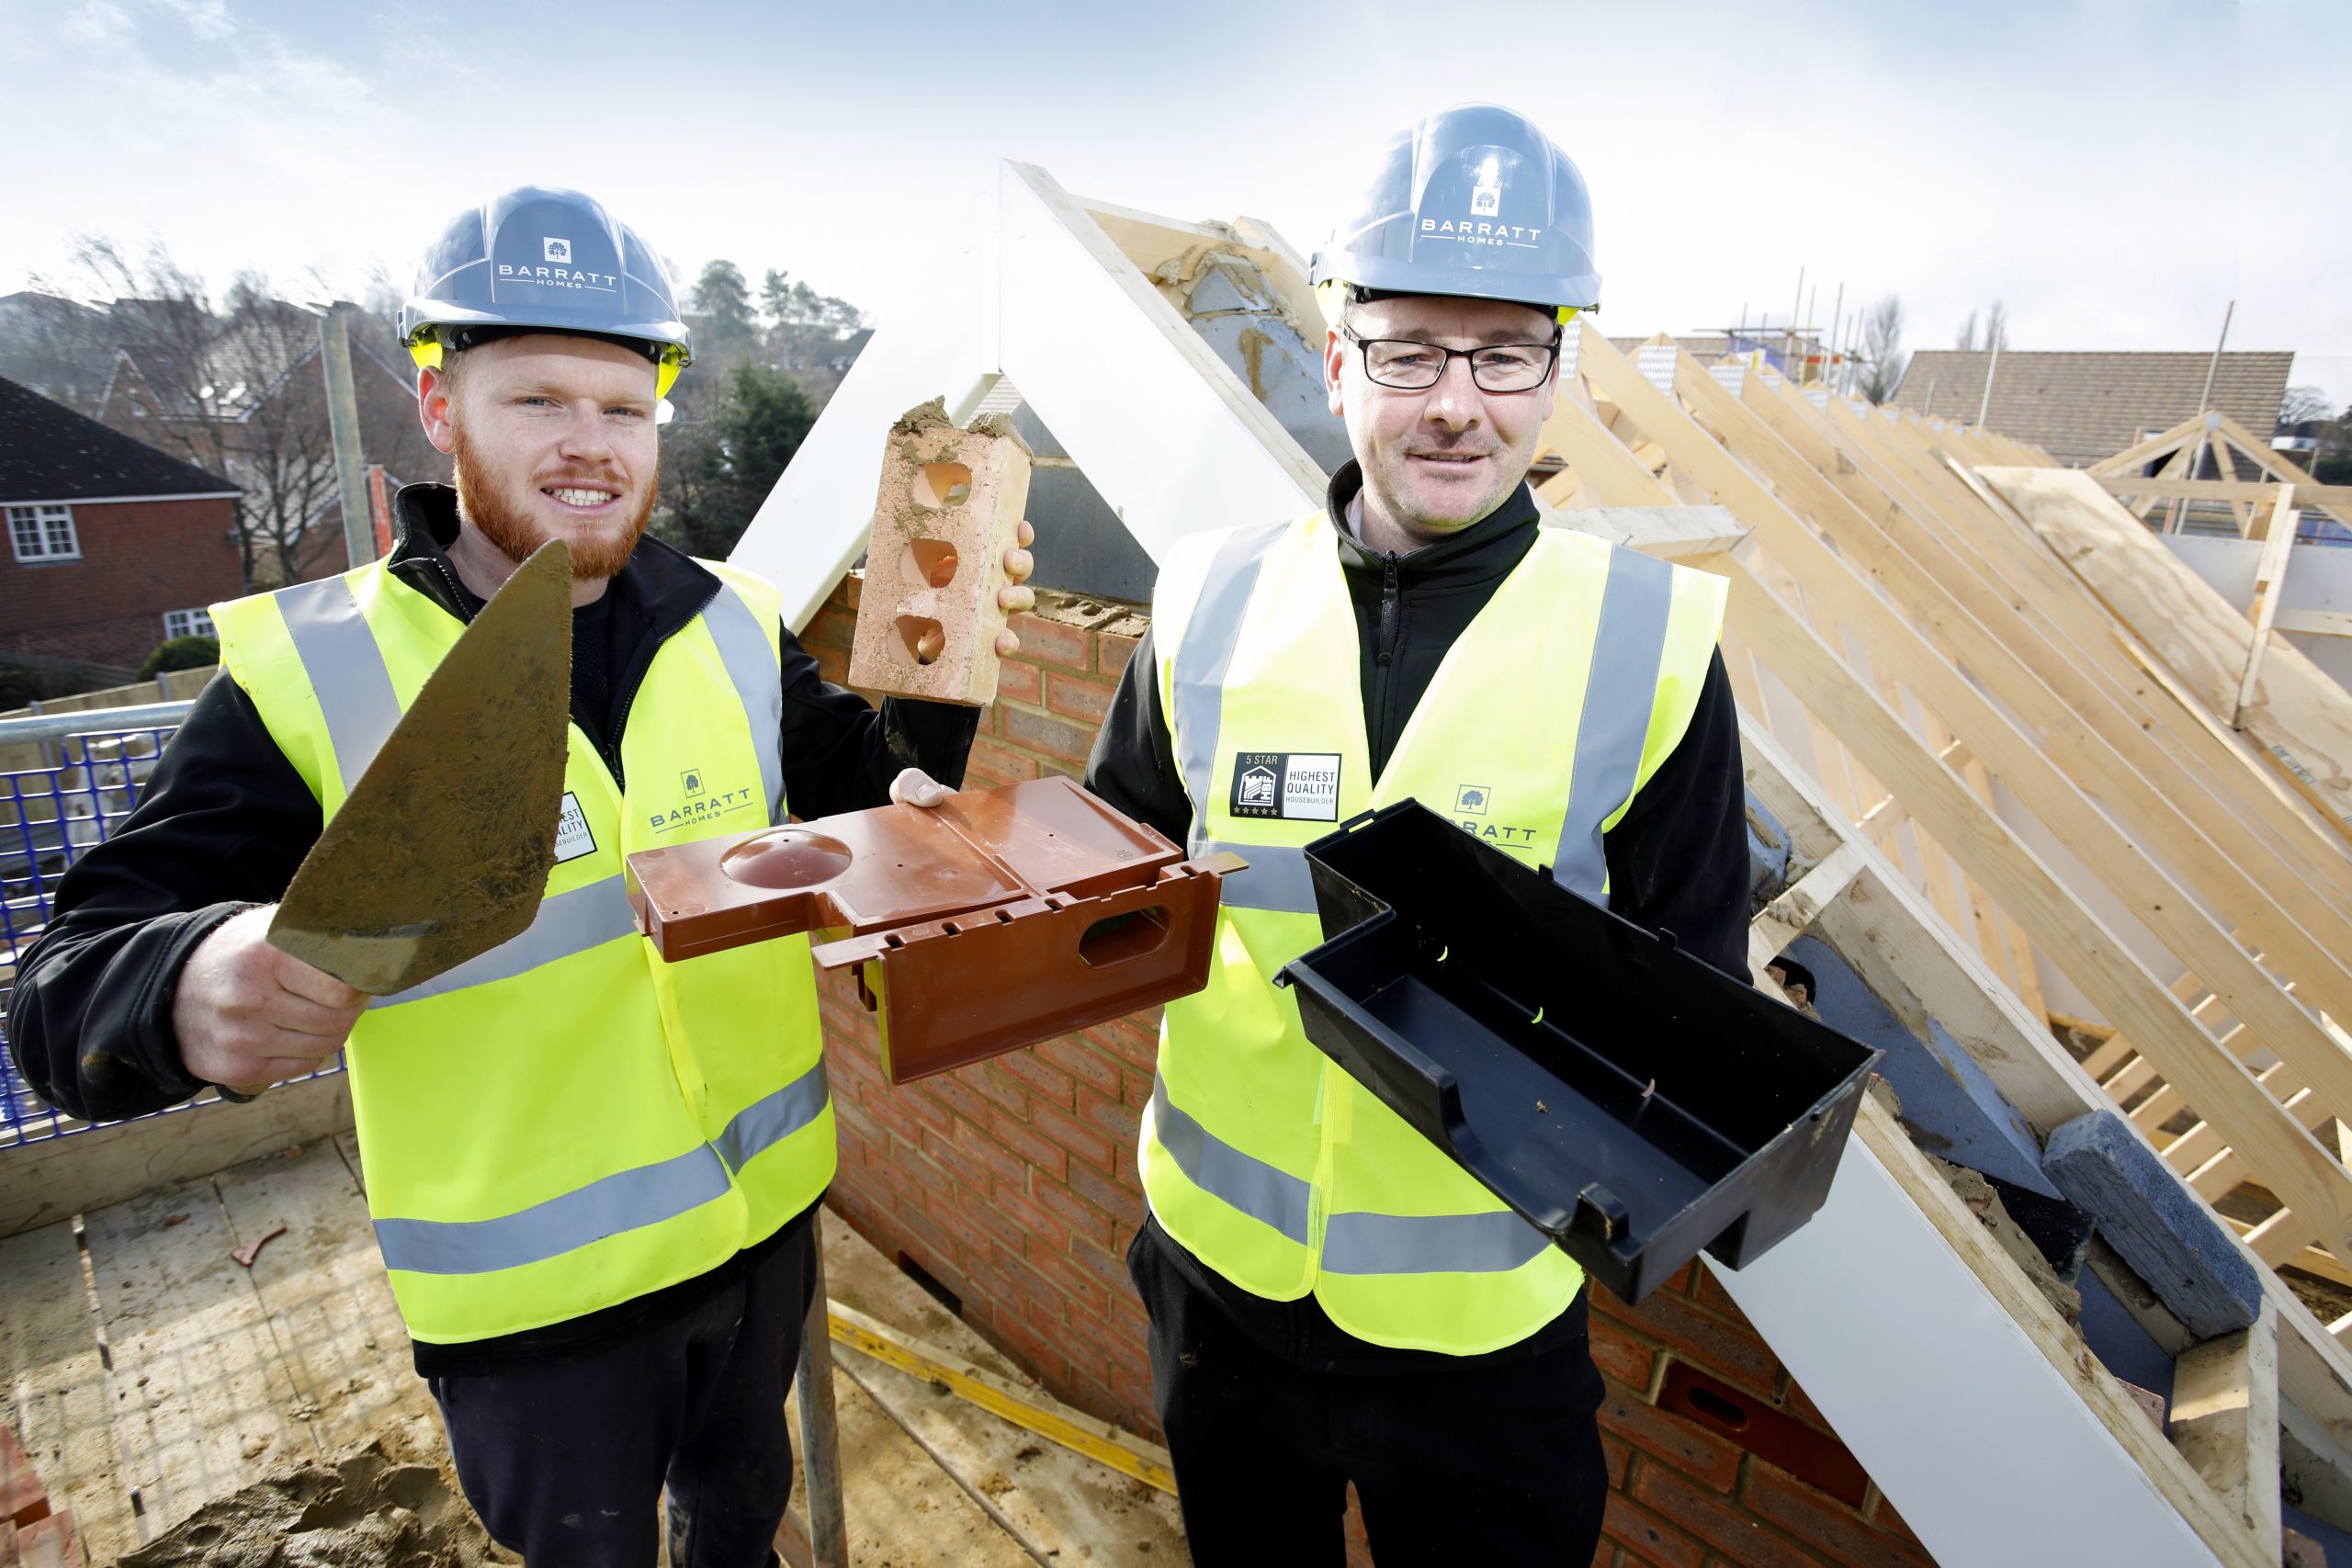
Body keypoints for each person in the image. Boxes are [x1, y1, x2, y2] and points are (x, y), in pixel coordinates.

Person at [6, 186, 1035, 1568]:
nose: (590, 447)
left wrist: (948, 662)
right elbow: (64, 984)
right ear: (439, 408)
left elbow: (869, 778)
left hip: (762, 1233)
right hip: (536, 1315)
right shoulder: (319, 675)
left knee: (738, 1518)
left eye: (623, 408)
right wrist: (186, 985)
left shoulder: (728, 620)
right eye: (537, 401)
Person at [1082, 107, 1751, 1564]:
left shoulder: (1651, 647)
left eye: (1505, 353)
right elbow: (1107, 880)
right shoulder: (1203, 604)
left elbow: (1698, 997)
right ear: (1338, 362)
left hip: (1484, 1339)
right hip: (1219, 1292)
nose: (1458, 403)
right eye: (1410, 351)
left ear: (1555, 374)